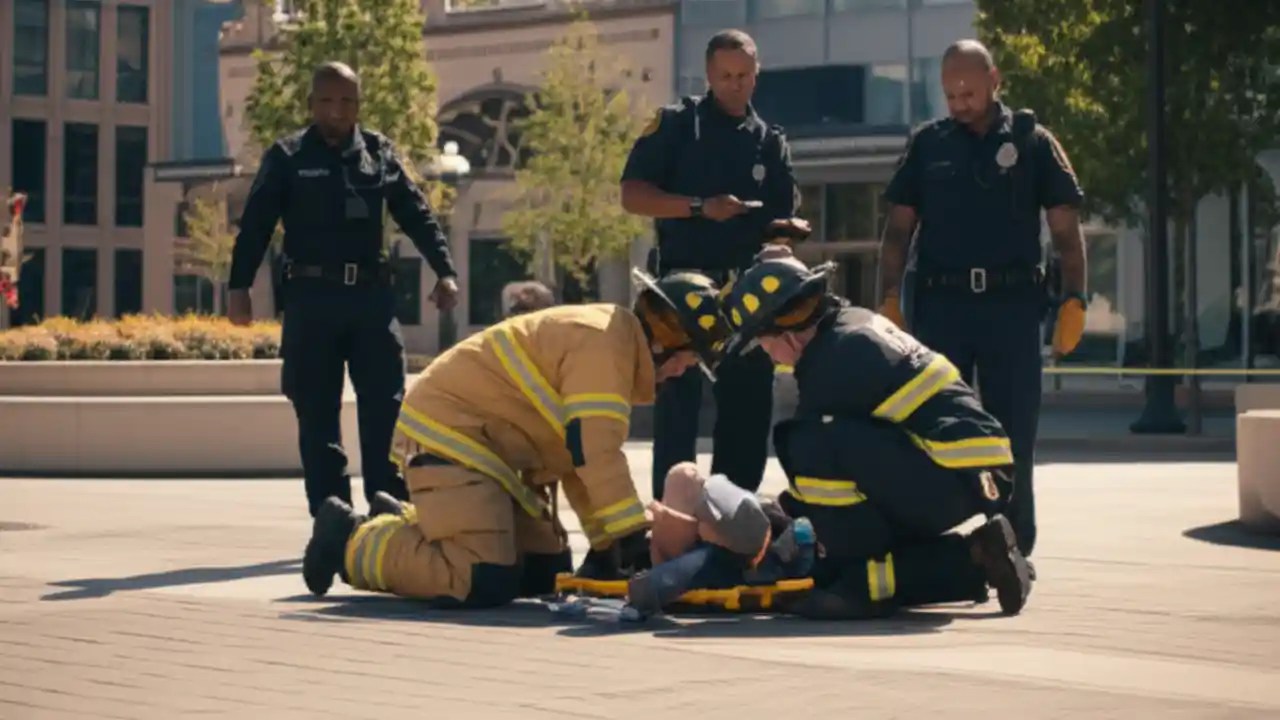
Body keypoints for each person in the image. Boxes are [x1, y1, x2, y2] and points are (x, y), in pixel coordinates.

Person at [299, 270, 737, 608]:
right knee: (480, 577)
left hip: (490, 454)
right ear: (666, 341)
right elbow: (595, 453)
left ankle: (407, 521)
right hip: (450, 437)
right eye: (689, 359)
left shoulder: (613, 341)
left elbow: (577, 463)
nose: (684, 371)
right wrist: (632, 540)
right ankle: (353, 539)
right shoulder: (606, 347)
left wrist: (608, 545)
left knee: (543, 573)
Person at [718, 252, 1034, 617]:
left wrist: (780, 518)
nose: (769, 356)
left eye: (762, 344)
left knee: (805, 443)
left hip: (950, 477)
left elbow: (819, 479)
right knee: (846, 519)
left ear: (785, 335)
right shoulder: (853, 324)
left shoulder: (829, 361)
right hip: (970, 470)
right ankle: (978, 556)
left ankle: (860, 587)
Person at [876, 39, 1087, 556]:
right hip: (942, 307)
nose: (959, 104)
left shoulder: (1033, 143)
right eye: (950, 95)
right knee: (935, 430)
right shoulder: (928, 145)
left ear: (995, 80)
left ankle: (1013, 549)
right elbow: (897, 232)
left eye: (969, 93)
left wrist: (1075, 297)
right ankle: (937, 547)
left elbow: (1066, 230)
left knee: (1013, 436)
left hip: (1011, 310)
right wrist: (889, 299)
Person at [227, 62, 461, 518]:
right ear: (312, 104)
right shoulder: (288, 157)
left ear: (358, 104)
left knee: (386, 408)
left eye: (347, 101)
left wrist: (444, 270)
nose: (337, 111)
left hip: (371, 302)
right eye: (328, 101)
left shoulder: (379, 153)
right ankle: (331, 516)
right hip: (311, 301)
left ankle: (387, 510)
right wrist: (239, 287)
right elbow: (255, 225)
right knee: (317, 413)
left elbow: (416, 214)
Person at [619, 28, 812, 499]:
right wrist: (700, 207)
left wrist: (785, 234)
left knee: (748, 416)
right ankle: (674, 515)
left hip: (747, 296)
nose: (735, 84)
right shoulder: (677, 124)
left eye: (743, 75)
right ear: (708, 74)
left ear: (756, 73)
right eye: (725, 76)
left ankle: (732, 517)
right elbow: (633, 195)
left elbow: (779, 217)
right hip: (681, 293)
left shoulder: (768, 140)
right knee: (677, 415)